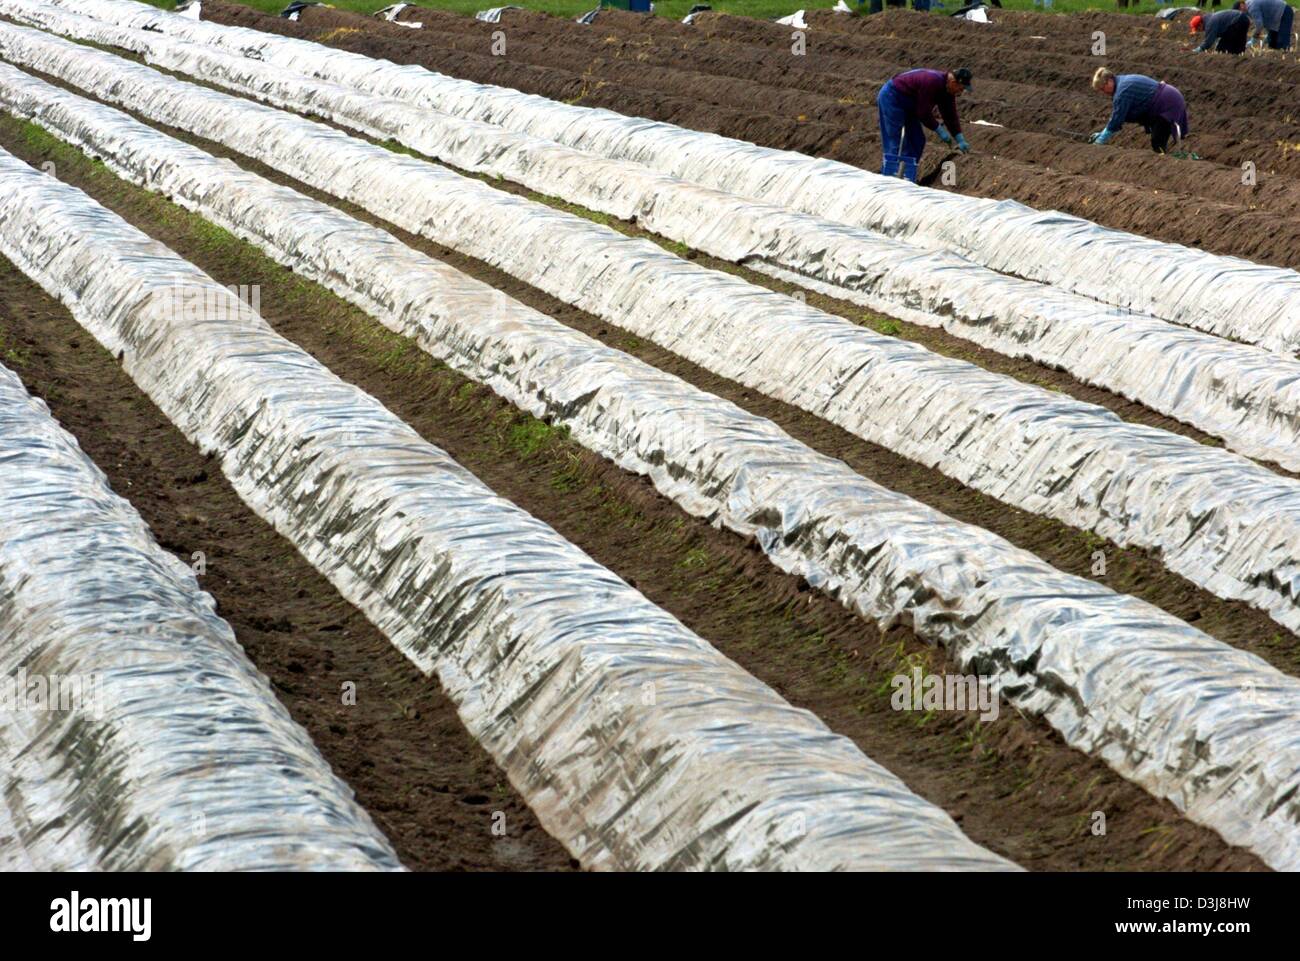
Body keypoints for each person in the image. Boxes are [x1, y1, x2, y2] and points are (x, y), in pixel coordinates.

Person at [876, 68, 973, 182]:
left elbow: (950, 114)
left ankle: (907, 176)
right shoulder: (932, 82)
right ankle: (889, 178)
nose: (960, 93)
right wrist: (940, 130)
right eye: (960, 89)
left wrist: (959, 138)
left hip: (911, 103)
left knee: (917, 140)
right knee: (896, 141)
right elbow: (923, 113)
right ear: (953, 83)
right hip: (893, 97)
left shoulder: (948, 91)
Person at [1089, 67, 1190, 154]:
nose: (1103, 92)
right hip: (1168, 98)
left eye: (1103, 89)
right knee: (1158, 140)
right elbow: (1121, 114)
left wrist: (1101, 139)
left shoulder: (1122, 92)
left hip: (1167, 103)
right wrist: (1102, 133)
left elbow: (1117, 119)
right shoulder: (1121, 81)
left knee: (1157, 142)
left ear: (1109, 81)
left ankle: (1167, 163)